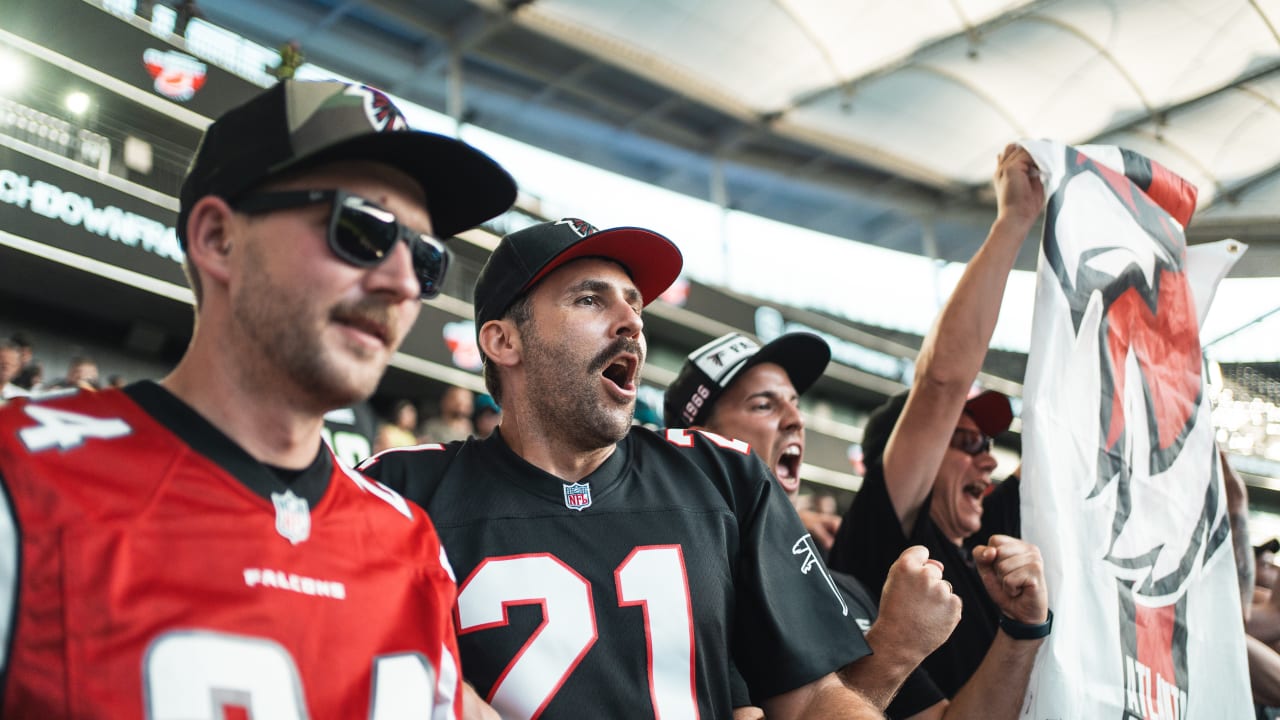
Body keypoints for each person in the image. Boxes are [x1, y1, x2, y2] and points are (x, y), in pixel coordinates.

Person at [0, 78, 516, 717]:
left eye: (426, 258)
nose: (403, 281)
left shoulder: (407, 541)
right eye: (362, 228)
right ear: (219, 238)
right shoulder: (26, 477)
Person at [360, 218, 881, 719]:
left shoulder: (726, 475)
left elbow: (813, 699)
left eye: (634, 304)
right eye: (590, 300)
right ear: (503, 341)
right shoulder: (400, 492)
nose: (631, 321)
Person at [668, 331, 1051, 719]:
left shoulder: (844, 588)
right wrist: (895, 647)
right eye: (764, 405)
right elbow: (941, 379)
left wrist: (1022, 630)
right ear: (695, 440)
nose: (796, 420)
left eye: (796, 404)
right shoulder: (687, 579)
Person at [828, 144, 1051, 699]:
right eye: (966, 440)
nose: (989, 459)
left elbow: (1068, 440)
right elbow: (942, 384)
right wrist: (1015, 219)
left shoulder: (983, 543)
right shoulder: (891, 540)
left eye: (989, 443)